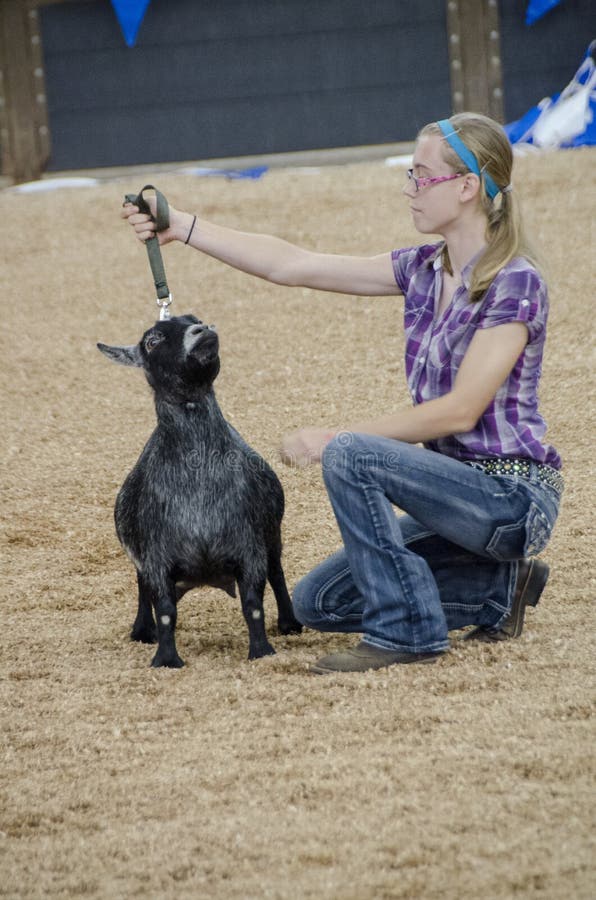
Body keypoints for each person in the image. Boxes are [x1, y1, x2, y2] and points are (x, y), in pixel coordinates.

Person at [122, 112, 562, 674]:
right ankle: (499, 587)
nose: (409, 189)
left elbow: (461, 410)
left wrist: (336, 437)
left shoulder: (514, 280)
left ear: (468, 187)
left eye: (421, 176)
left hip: (512, 501)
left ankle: (410, 633)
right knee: (316, 603)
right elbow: (294, 264)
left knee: (351, 452)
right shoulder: (425, 269)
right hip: (453, 500)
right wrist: (181, 226)